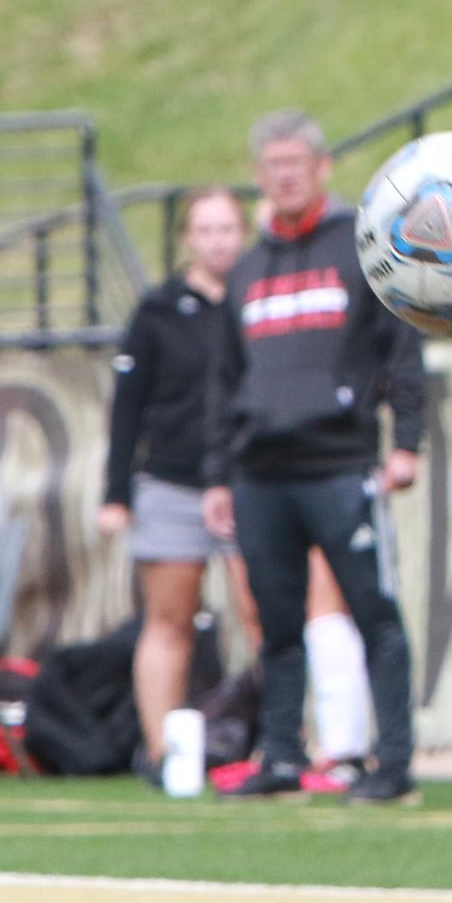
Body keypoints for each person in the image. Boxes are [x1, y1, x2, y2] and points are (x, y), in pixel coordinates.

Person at [202, 110, 425, 805]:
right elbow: (223, 380)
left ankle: (392, 764)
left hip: (340, 464)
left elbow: (403, 350)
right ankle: (280, 755)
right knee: (277, 622)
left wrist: (406, 442)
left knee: (374, 614)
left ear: (322, 168)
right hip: (261, 473)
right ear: (259, 178)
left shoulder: (361, 248)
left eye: (296, 161)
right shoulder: (246, 270)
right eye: (272, 165)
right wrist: (217, 474)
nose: (285, 174)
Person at [99, 187, 266, 781]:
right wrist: (115, 493)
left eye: (228, 229)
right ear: (188, 238)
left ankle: (280, 744)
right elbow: (127, 407)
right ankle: (162, 751)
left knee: (265, 616)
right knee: (169, 621)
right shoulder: (159, 309)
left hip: (251, 481)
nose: (219, 241)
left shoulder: (260, 294)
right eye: (207, 230)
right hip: (172, 482)